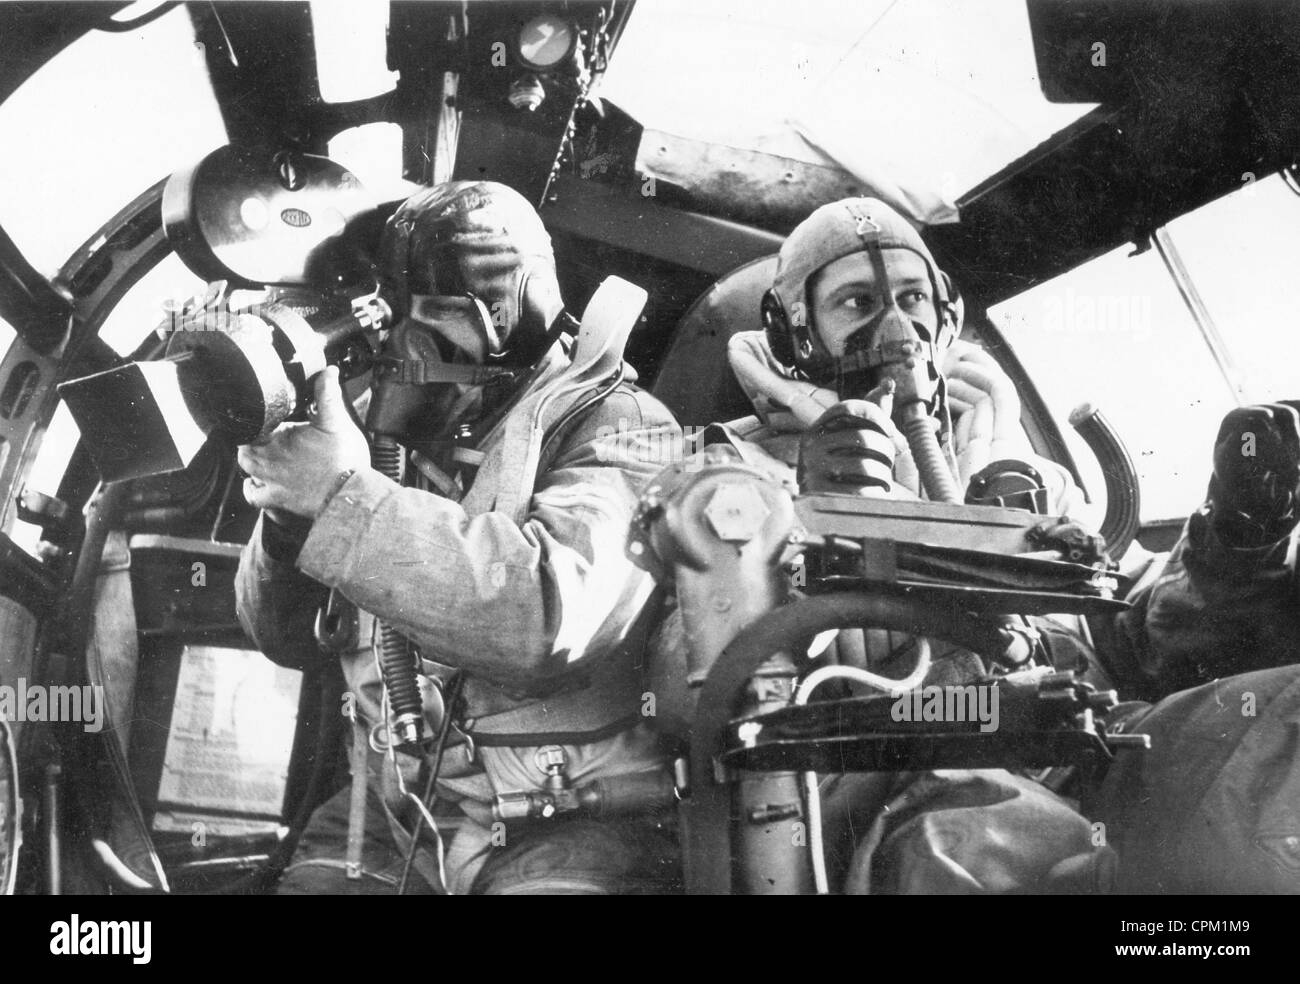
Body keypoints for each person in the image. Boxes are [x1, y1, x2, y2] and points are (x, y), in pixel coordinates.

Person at [235, 181, 683, 895]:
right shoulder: (377, 430)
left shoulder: (624, 425)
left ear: (510, 311)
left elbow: (546, 617)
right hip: (398, 818)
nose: (405, 346)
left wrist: (340, 500)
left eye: (440, 317)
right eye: (397, 318)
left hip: (569, 824)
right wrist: (292, 515)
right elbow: (280, 637)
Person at [667, 196, 1110, 893]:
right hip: (880, 779)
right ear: (798, 335)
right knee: (984, 846)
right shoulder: (728, 475)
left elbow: (1114, 644)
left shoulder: (1014, 469)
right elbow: (689, 679)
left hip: (1056, 749)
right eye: (857, 302)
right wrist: (814, 520)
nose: (898, 329)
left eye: (911, 298)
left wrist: (1230, 549)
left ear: (946, 314)